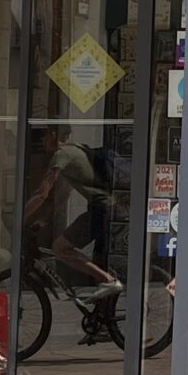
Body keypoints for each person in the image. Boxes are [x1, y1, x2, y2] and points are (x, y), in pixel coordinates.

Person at [23, 127, 123, 302]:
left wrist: (21, 218)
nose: (41, 142)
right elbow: (63, 195)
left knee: (60, 248)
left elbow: (42, 194)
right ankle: (104, 312)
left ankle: (109, 281)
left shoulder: (60, 155)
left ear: (53, 135)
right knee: (95, 257)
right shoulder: (76, 149)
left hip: (102, 209)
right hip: (108, 208)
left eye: (43, 136)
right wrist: (43, 220)